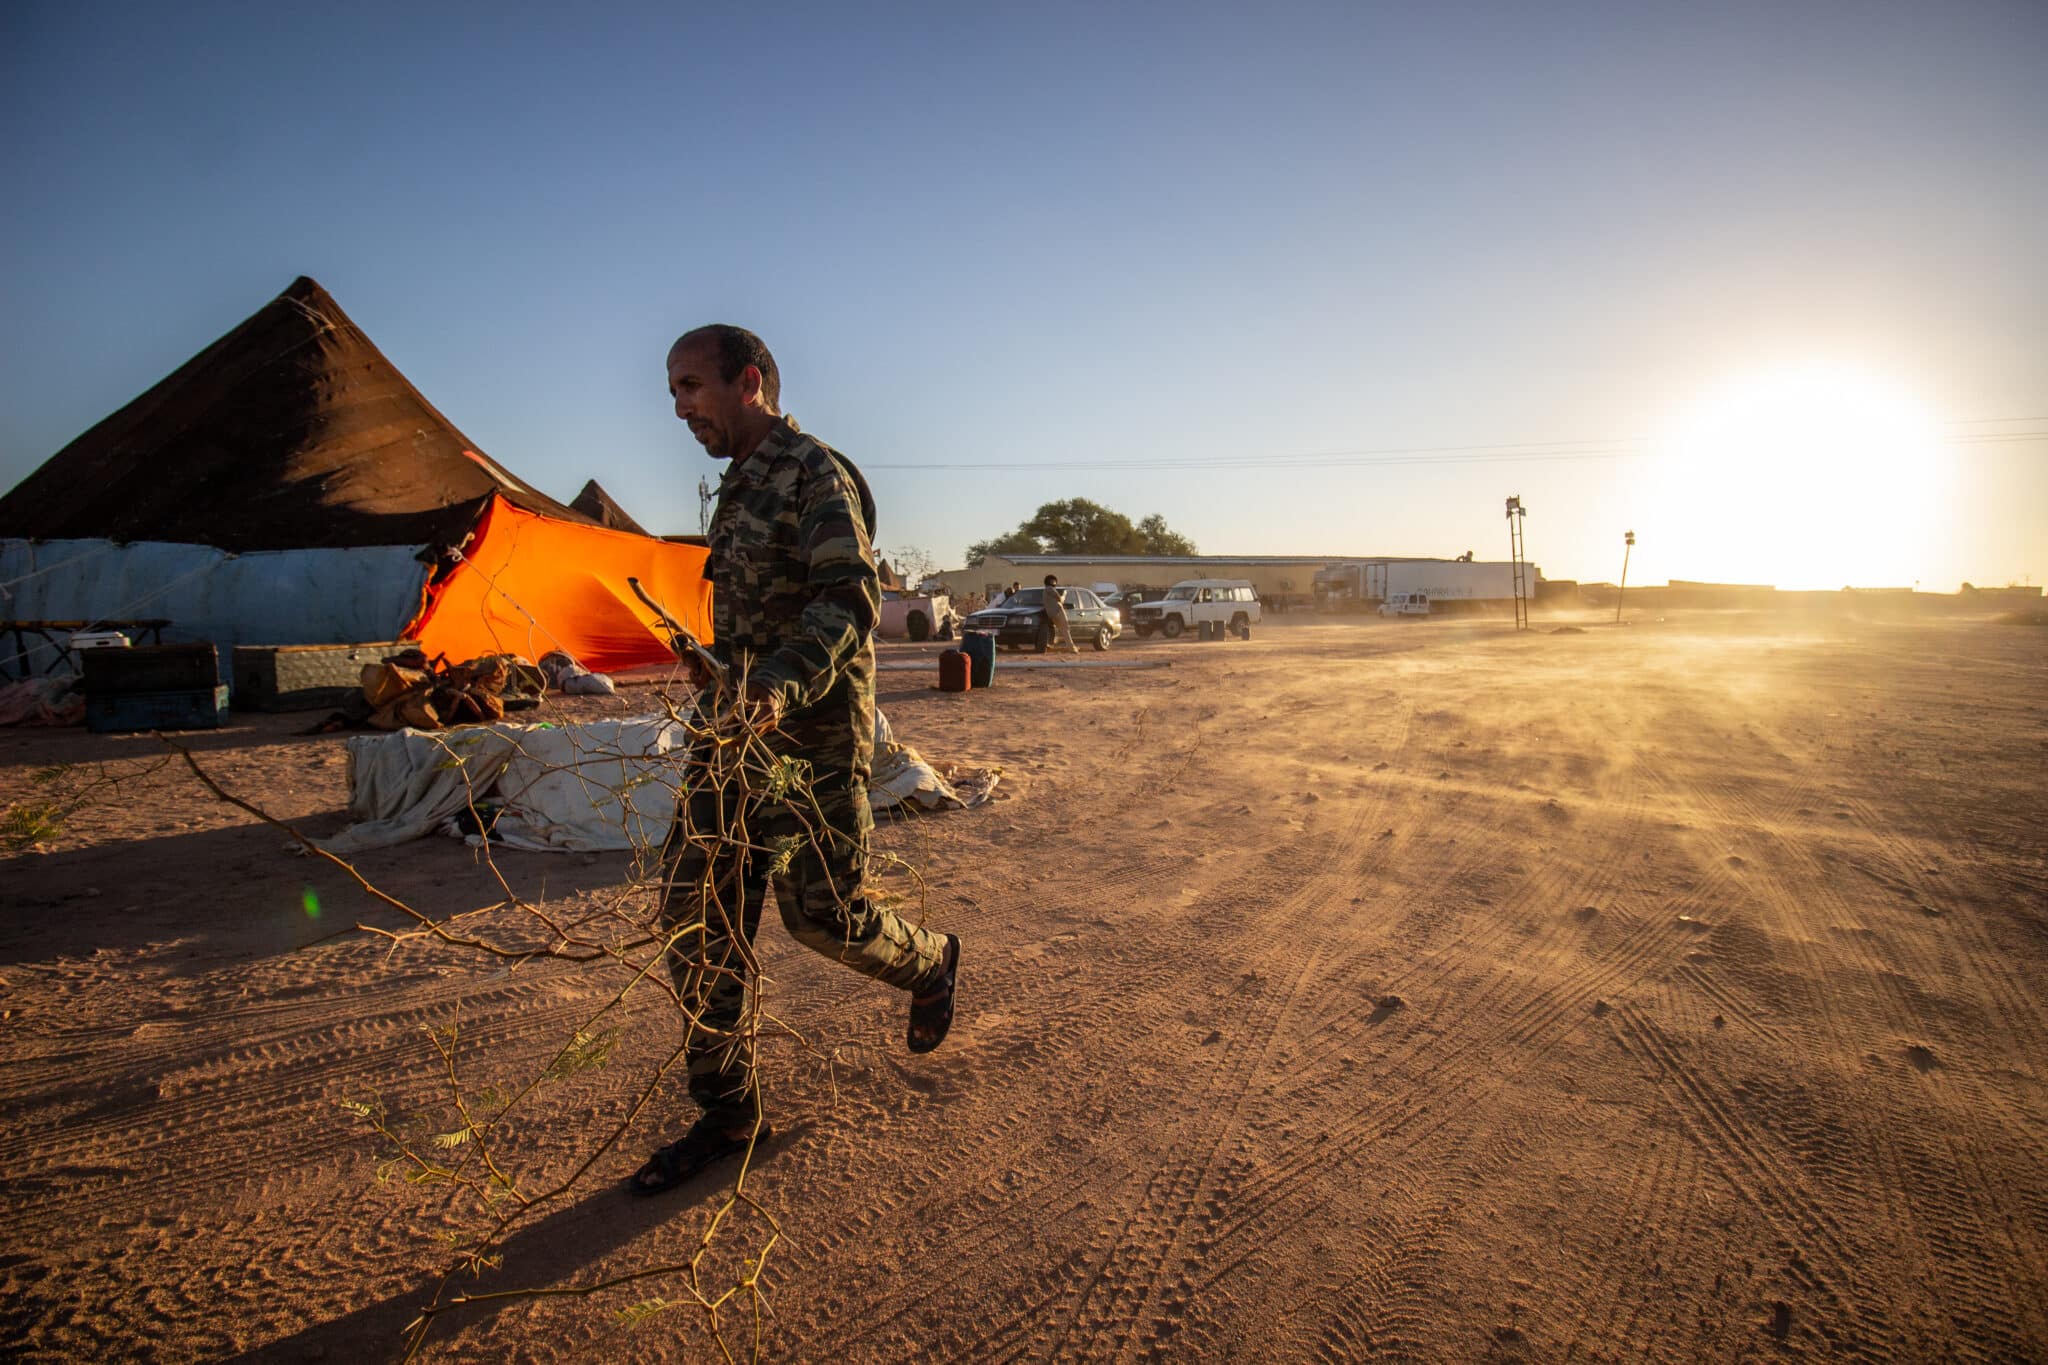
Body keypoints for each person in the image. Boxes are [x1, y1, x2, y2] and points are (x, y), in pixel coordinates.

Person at [633, 324, 961, 1195]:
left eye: (691, 386)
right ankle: (730, 1109)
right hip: (730, 738)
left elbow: (849, 596)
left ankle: (929, 962)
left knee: (824, 916)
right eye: (670, 390)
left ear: (750, 382)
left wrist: (777, 682)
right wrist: (718, 669)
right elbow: (759, 609)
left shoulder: (815, 471)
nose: (679, 406)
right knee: (696, 911)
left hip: (809, 740)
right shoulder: (737, 486)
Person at [1041, 573, 1080, 654]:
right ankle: (1072, 648)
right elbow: (1060, 600)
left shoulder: (1045, 591)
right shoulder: (1050, 589)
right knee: (1065, 629)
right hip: (1058, 611)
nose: (1055, 582)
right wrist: (1064, 594)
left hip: (1052, 614)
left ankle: (1065, 645)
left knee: (1061, 630)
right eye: (1053, 580)